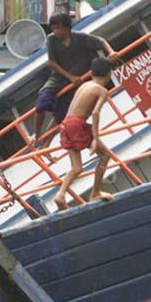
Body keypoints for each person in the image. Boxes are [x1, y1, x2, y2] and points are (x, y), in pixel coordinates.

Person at [33, 13, 119, 146]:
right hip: (58, 79)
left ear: (66, 27)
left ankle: (46, 144)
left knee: (61, 115)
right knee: (41, 104)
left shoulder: (81, 38)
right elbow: (51, 62)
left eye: (57, 28)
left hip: (76, 82)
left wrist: (111, 52)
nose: (55, 31)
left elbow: (101, 41)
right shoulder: (51, 39)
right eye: (53, 28)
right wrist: (70, 77)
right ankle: (36, 135)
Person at [54, 58, 115, 209]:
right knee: (106, 155)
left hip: (66, 124)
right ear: (108, 75)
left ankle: (60, 195)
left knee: (77, 168)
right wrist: (95, 137)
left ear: (92, 73)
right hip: (76, 124)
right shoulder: (102, 90)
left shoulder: (85, 85)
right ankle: (95, 193)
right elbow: (95, 113)